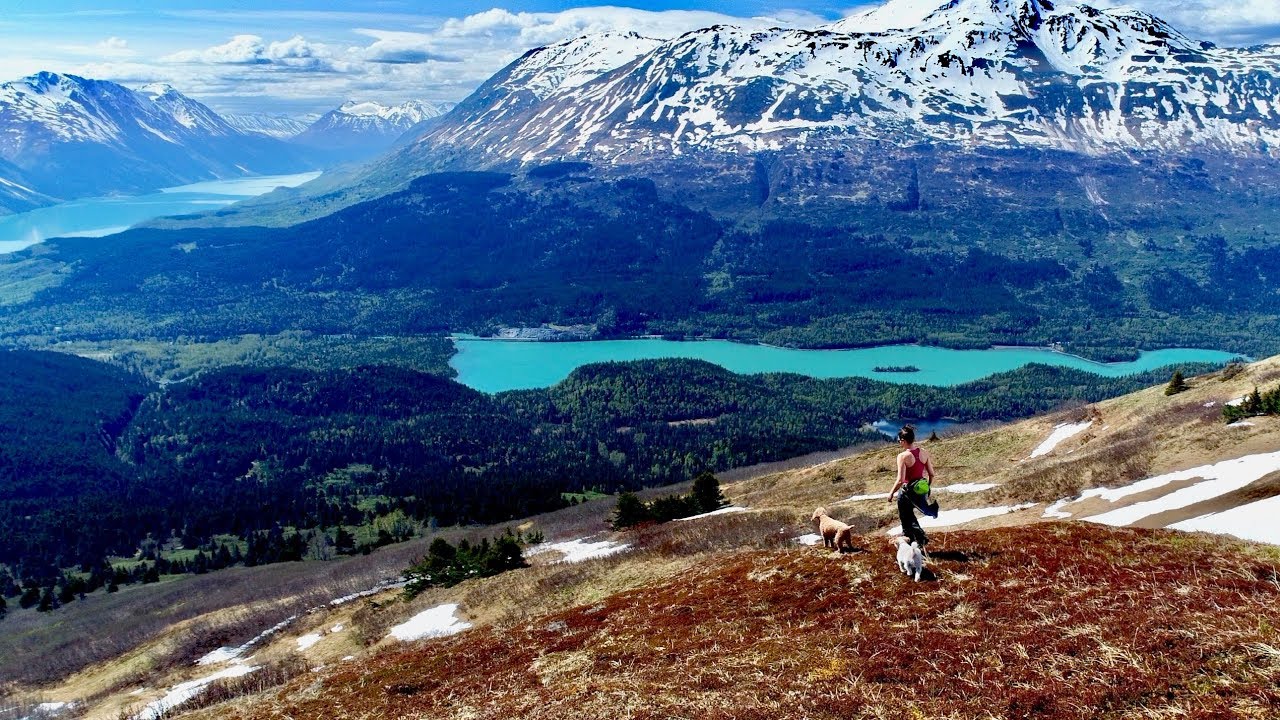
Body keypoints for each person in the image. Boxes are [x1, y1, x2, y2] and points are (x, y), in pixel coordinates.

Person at [888, 424, 939, 550]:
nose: (899, 443)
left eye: (899, 441)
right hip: (921, 488)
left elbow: (900, 480)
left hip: (907, 491)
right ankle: (919, 538)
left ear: (904, 441)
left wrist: (891, 493)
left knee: (905, 516)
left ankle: (912, 541)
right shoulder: (924, 452)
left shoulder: (903, 456)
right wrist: (926, 488)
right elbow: (931, 474)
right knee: (911, 515)